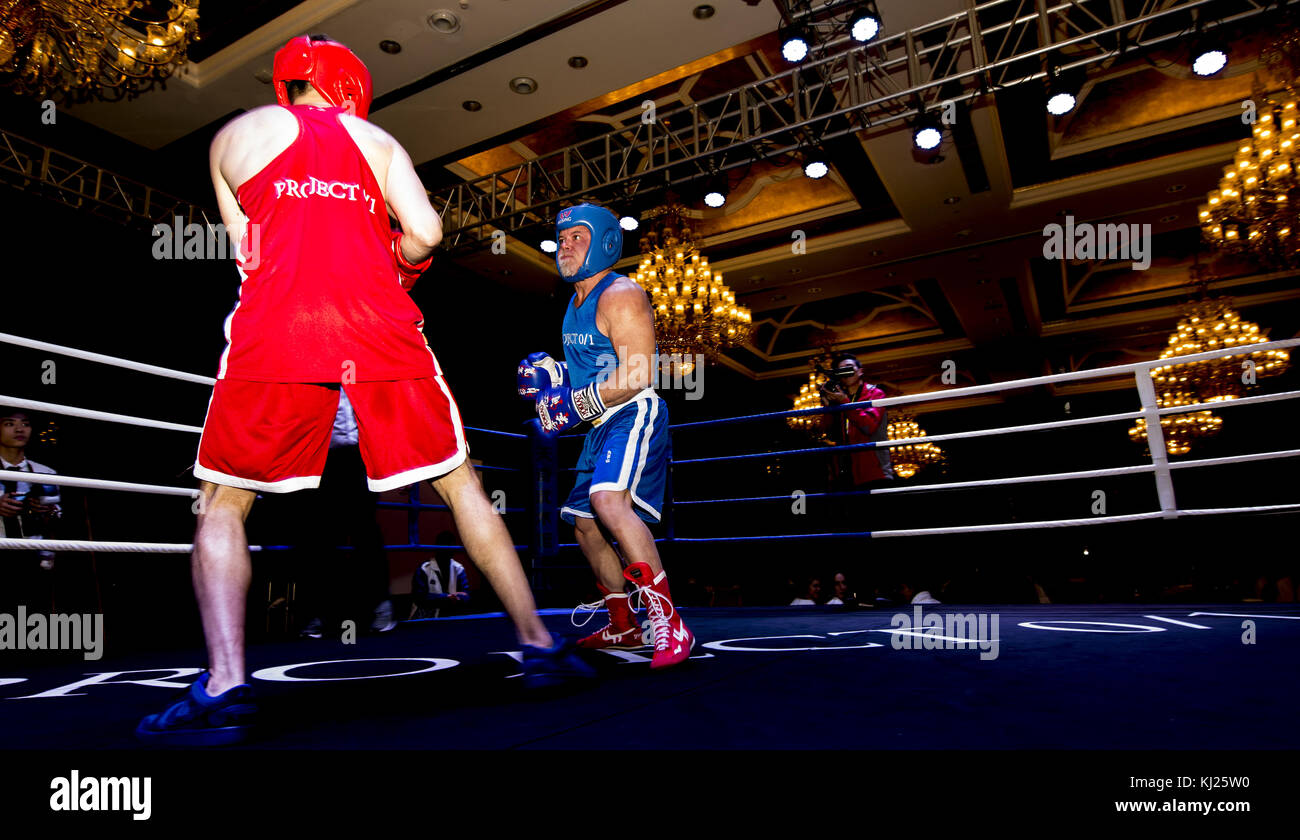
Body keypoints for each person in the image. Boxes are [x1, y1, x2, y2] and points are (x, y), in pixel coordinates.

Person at [137, 35, 590, 747]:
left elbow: (247, 253)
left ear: (287, 85)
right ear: (349, 86)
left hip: (277, 331)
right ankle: (540, 645)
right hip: (378, 331)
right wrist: (390, 262)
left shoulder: (234, 136)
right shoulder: (374, 140)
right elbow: (427, 233)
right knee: (462, 486)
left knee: (223, 502)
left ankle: (225, 685)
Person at [517, 203, 693, 670]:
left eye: (578, 236)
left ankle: (670, 622)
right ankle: (624, 623)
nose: (566, 245)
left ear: (606, 242)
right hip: (599, 423)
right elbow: (589, 374)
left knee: (608, 502)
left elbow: (636, 373)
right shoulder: (573, 304)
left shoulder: (622, 294)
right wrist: (554, 384)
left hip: (634, 410)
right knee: (583, 522)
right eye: (563, 238)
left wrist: (573, 405)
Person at [295, 390, 396, 639]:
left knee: (366, 532)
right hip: (320, 457)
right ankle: (317, 614)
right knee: (319, 537)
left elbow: (386, 410)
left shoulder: (365, 363)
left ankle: (379, 606)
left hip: (361, 457)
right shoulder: (309, 365)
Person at [0, 409, 61, 608]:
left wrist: (48, 511)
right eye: (9, 424)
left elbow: (57, 514)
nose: (19, 429)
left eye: (25, 424)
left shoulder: (46, 473)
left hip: (33, 559)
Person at [410, 532, 471, 619]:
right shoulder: (424, 568)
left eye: (451, 546)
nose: (448, 550)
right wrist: (447, 597)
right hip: (425, 619)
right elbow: (420, 598)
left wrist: (457, 597)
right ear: (437, 548)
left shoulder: (458, 568)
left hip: (450, 617)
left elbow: (466, 596)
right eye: (445, 546)